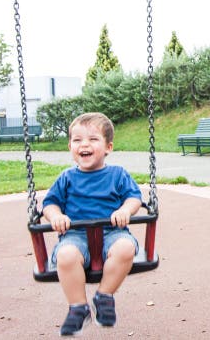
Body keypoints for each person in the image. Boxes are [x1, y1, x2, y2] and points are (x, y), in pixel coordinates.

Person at [42, 112, 143, 336]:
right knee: (65, 255)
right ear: (70, 146)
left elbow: (134, 197)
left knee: (126, 248)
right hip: (75, 235)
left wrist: (125, 210)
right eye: (77, 140)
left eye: (93, 139)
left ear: (108, 147)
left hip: (113, 232)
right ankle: (78, 307)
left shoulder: (118, 174)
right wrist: (56, 216)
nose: (84, 144)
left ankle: (104, 296)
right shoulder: (66, 177)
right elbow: (50, 204)